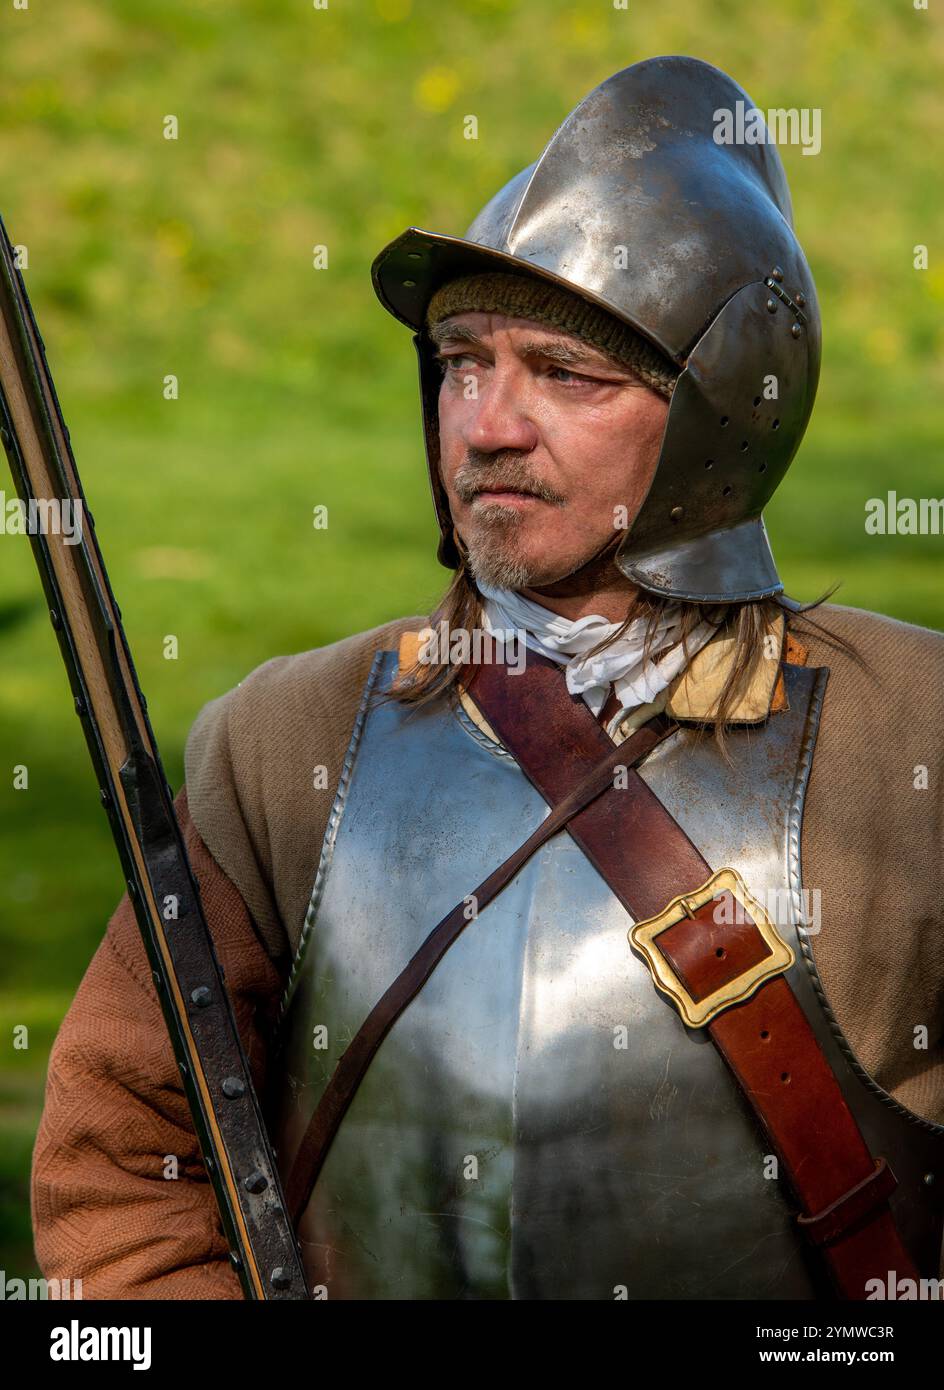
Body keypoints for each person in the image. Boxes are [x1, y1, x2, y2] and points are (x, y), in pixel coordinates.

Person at [31, 55, 944, 1301]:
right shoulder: (281, 747)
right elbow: (124, 1166)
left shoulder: (911, 744)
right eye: (464, 360)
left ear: (721, 415)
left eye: (563, 374)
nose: (487, 423)